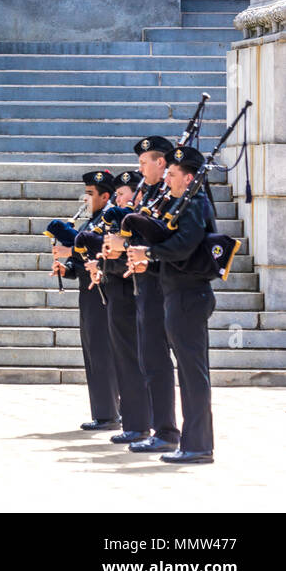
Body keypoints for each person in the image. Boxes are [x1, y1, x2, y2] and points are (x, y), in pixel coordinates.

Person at [126, 144, 219, 464]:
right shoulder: (183, 203)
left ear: (189, 177)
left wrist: (148, 254)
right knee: (190, 373)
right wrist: (147, 260)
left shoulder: (196, 205)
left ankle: (199, 445)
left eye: (174, 173)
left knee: (193, 374)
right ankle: (192, 442)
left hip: (189, 295)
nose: (167, 178)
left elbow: (182, 247)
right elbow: (171, 247)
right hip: (177, 293)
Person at [102, 135, 181, 453]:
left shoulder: (169, 197)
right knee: (149, 361)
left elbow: (167, 239)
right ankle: (155, 428)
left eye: (143, 161)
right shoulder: (151, 195)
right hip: (144, 284)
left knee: (158, 362)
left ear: (161, 163)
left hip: (161, 285)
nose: (139, 167)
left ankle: (166, 430)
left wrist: (134, 246)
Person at [50, 170, 120, 431]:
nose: (86, 199)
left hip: (104, 294)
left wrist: (71, 250)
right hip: (88, 294)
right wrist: (66, 269)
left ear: (105, 196)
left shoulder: (109, 220)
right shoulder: (91, 221)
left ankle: (108, 414)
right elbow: (81, 263)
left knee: (102, 353)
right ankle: (106, 411)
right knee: (94, 353)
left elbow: (104, 251)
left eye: (91, 194)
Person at [86, 170, 151, 446]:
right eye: (118, 193)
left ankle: (143, 424)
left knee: (135, 362)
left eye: (123, 193)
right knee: (124, 362)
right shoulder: (119, 221)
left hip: (133, 296)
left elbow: (137, 259)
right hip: (116, 293)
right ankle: (134, 422)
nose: (118, 197)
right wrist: (100, 265)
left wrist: (110, 259)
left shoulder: (140, 221)